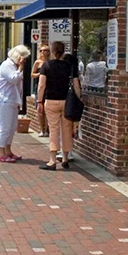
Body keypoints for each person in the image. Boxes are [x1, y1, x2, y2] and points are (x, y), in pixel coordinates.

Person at [37, 42, 82, 170]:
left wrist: (39, 101)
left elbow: (41, 86)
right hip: (67, 101)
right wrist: (79, 99)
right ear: (63, 52)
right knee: (66, 130)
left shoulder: (46, 65)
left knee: (53, 129)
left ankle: (52, 160)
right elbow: (76, 85)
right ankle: (65, 158)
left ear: (52, 51)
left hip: (51, 101)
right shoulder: (69, 66)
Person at [0, 45, 30, 163]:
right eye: (23, 57)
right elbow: (13, 79)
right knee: (5, 126)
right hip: (5, 99)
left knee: (12, 126)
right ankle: (1, 152)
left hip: (12, 99)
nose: (24, 60)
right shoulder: (7, 65)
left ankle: (8, 150)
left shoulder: (14, 66)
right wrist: (20, 68)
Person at [31, 44, 51, 137]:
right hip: (38, 86)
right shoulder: (37, 62)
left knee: (47, 109)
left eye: (45, 50)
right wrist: (40, 74)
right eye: (41, 50)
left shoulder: (51, 62)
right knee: (40, 109)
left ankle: (47, 129)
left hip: (49, 87)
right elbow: (32, 74)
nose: (43, 52)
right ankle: (41, 129)